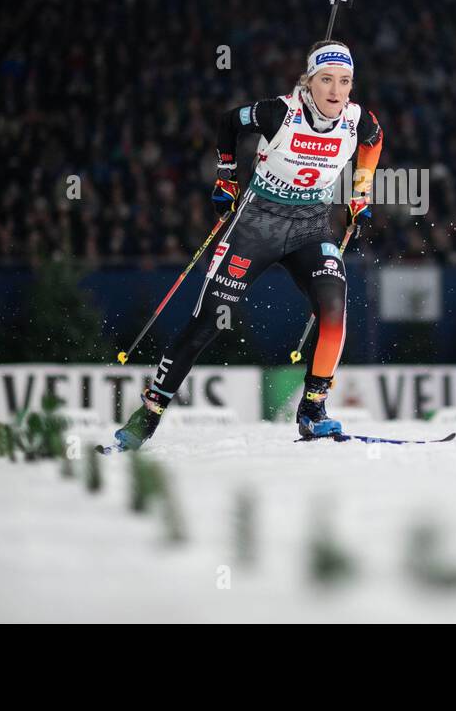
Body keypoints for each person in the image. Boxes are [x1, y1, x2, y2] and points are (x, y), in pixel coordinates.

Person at [110, 40, 384, 449]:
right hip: (257, 227)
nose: (335, 90)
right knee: (211, 318)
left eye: (344, 82)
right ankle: (149, 412)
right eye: (325, 79)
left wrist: (359, 194)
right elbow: (229, 122)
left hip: (310, 227)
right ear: (308, 82)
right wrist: (226, 177)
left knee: (333, 304)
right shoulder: (278, 112)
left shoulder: (356, 119)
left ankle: (313, 409)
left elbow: (374, 141)